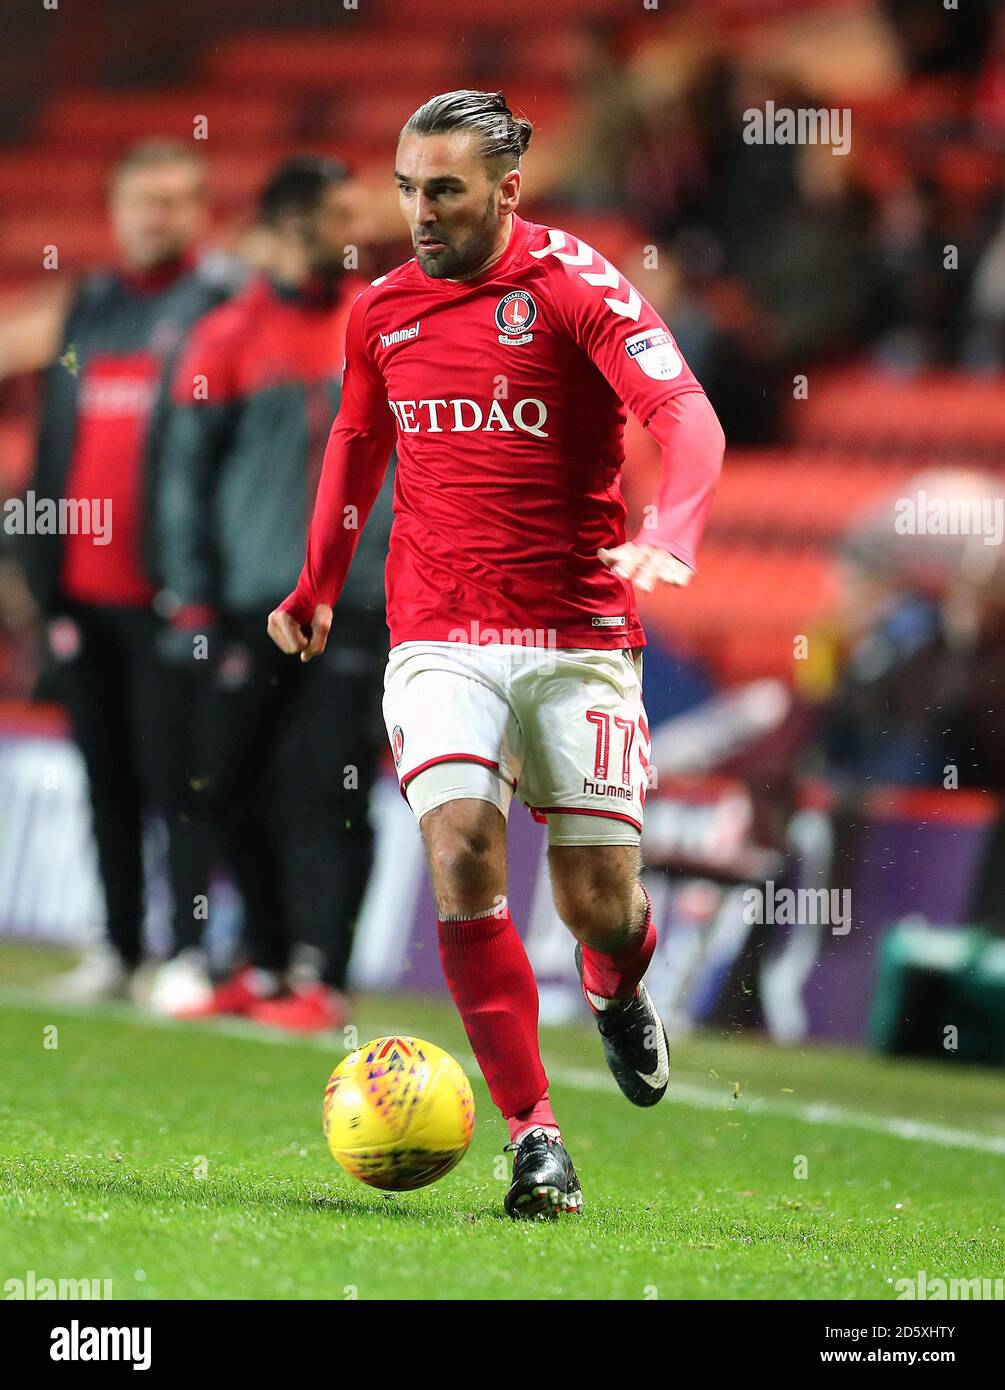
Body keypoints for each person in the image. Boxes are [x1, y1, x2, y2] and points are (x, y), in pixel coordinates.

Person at [268, 91, 725, 1216]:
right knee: (464, 849)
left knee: (597, 902)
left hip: (578, 635)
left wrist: (668, 534)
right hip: (439, 633)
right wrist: (316, 584)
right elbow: (357, 443)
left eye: (446, 192)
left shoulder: (574, 286)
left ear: (507, 190)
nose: (420, 213)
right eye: (408, 189)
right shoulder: (380, 310)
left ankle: (617, 989)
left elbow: (688, 418)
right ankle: (536, 1137)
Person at [156, 157, 395, 1029]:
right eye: (340, 214)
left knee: (330, 788)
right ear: (292, 227)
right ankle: (260, 962)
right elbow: (183, 478)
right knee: (228, 782)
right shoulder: (224, 338)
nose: (358, 228)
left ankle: (319, 974)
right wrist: (188, 595)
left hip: (359, 600)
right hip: (252, 602)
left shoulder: (380, 328)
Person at [23, 139, 237, 1003]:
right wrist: (39, 567)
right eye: (143, 202)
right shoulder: (93, 302)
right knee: (104, 775)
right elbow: (56, 437)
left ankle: (183, 953)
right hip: (82, 590)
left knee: (175, 779)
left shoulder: (221, 307)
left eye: (175, 201)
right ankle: (116, 948)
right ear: (114, 213)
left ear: (202, 211)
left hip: (172, 595)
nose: (158, 217)